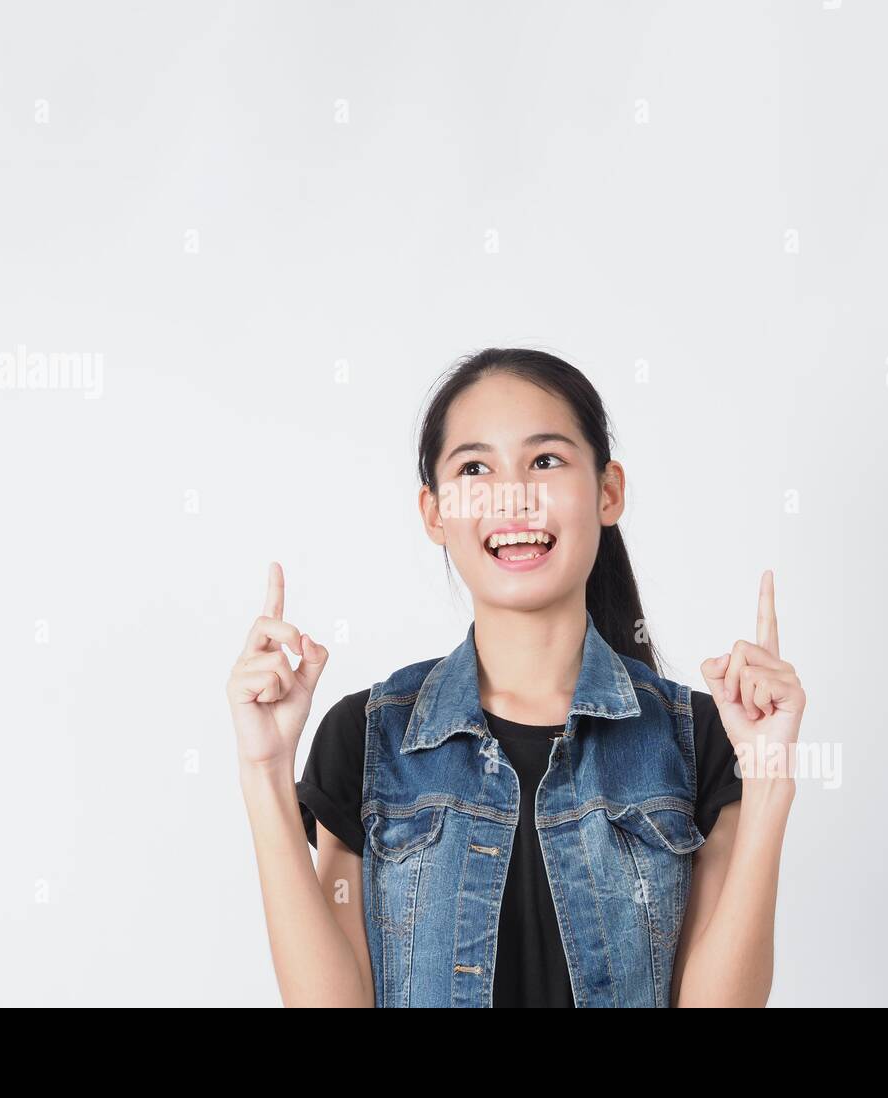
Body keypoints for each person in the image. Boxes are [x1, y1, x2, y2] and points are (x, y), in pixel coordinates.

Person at [226, 347, 805, 1007]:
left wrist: (768, 786)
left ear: (607, 491)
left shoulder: (695, 738)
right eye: (475, 467)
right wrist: (265, 772)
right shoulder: (368, 737)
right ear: (435, 513)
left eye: (546, 460)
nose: (513, 494)